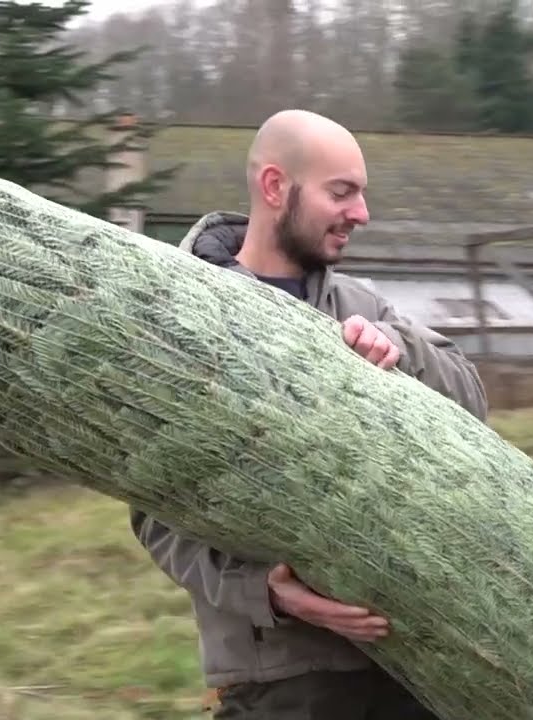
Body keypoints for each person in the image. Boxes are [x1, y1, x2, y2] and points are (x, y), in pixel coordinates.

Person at [129, 109, 489, 719]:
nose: (362, 213)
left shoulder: (360, 302)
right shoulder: (175, 323)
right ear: (276, 186)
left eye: (361, 193)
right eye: (341, 192)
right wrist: (267, 593)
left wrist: (399, 349)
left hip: (413, 658)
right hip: (283, 679)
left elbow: (473, 400)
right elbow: (155, 513)